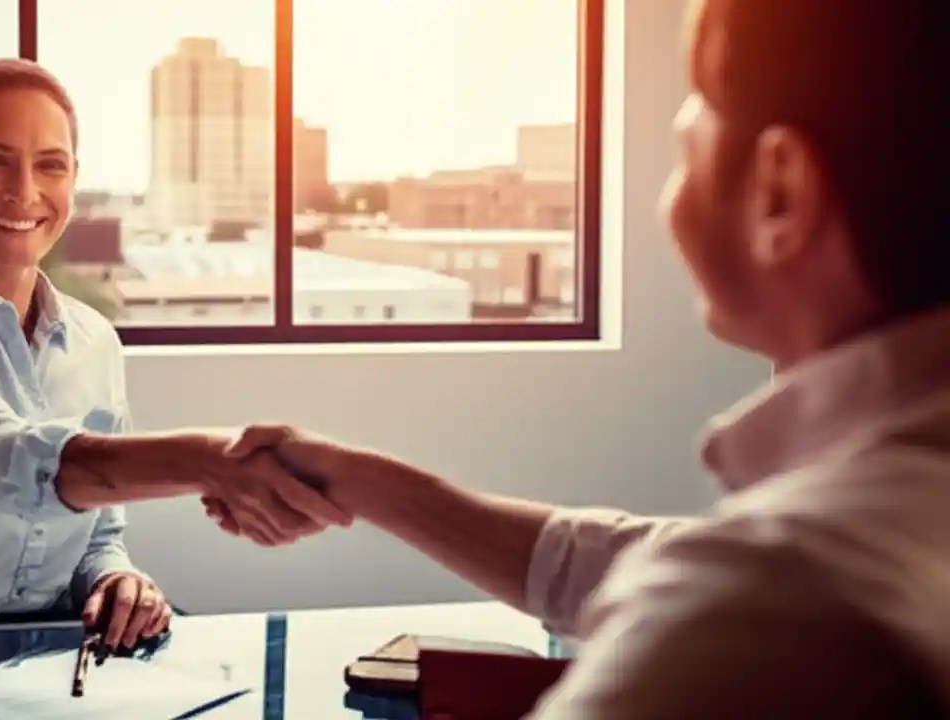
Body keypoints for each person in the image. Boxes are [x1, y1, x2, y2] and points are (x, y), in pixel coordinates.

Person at [211, 0, 950, 715]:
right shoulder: (888, 518)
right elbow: (628, 559)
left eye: (682, 145)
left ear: (780, 196)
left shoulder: (758, 615)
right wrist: (359, 483)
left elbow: (725, 585)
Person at [0, 58, 352, 645]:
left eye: (50, 166)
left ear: (74, 177)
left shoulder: (96, 340)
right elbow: (1, 458)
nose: (25, 192)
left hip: (49, 654)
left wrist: (115, 576)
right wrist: (207, 462)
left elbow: (100, 536)